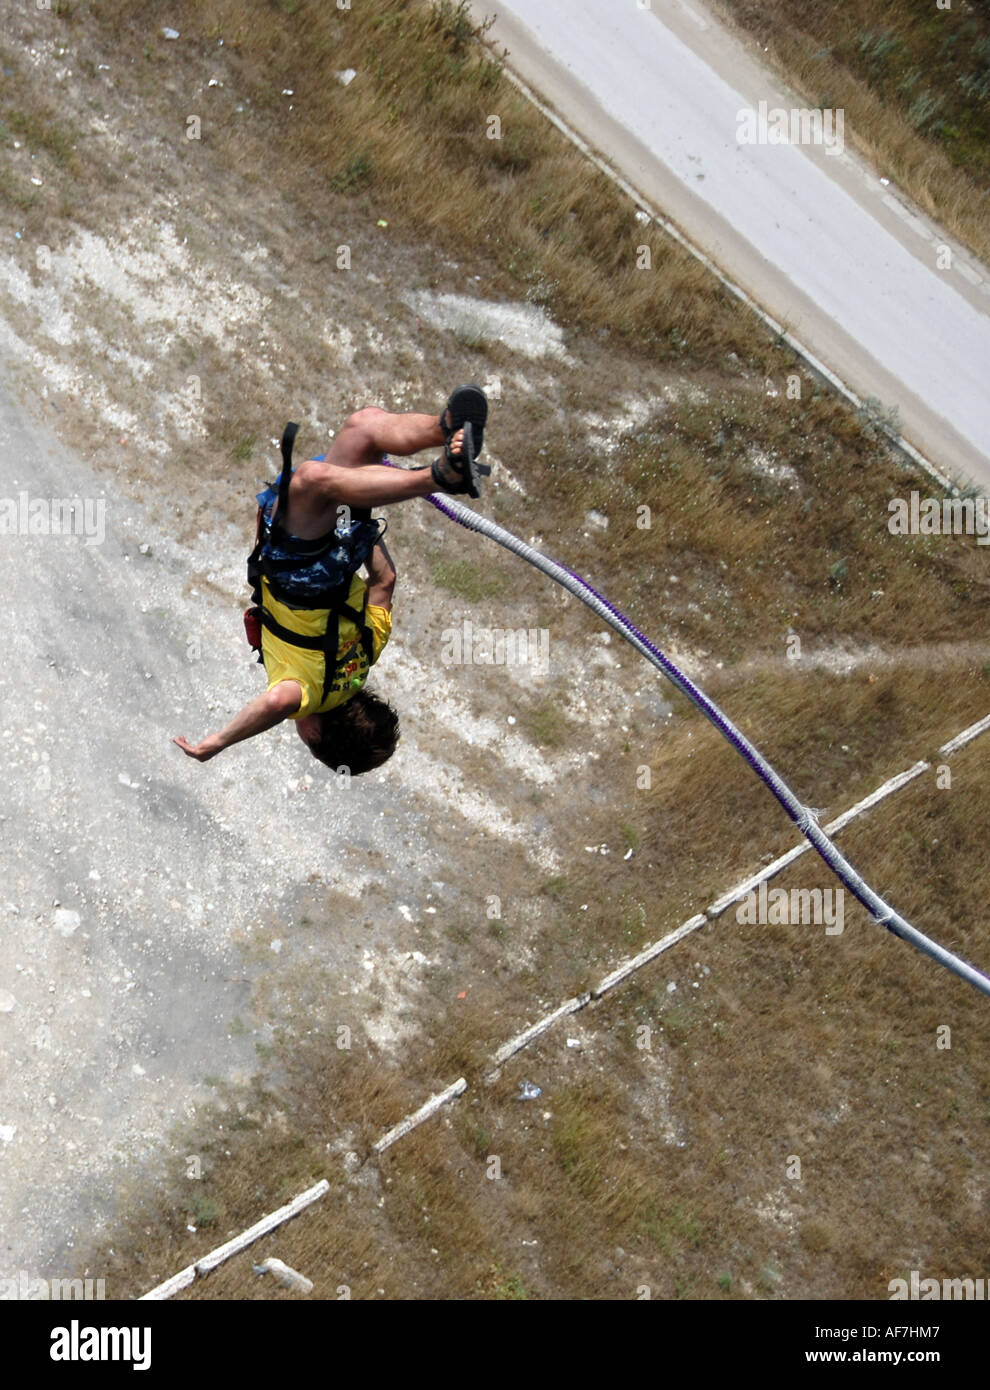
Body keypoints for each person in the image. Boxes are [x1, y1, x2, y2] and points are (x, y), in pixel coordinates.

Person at [172, 387, 488, 772]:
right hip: (297, 574)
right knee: (313, 480)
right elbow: (276, 704)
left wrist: (359, 529)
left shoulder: (366, 657)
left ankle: (447, 428)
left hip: (341, 551)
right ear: (317, 737)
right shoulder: (308, 695)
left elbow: (385, 582)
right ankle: (442, 476)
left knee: (363, 426)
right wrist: (217, 743)